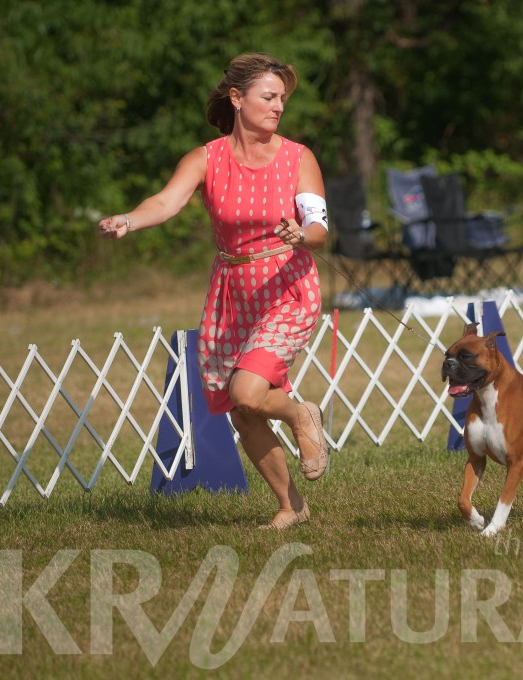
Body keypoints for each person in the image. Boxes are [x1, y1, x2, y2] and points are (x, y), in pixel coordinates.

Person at [98, 53, 329, 530]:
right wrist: (128, 220)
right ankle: (291, 505)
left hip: (287, 287)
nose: (278, 106)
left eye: (282, 99)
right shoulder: (206, 158)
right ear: (237, 98)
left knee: (247, 391)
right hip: (232, 294)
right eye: (269, 97)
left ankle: (302, 416)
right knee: (241, 412)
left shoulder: (298, 157)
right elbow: (166, 201)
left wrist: (301, 233)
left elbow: (319, 228)